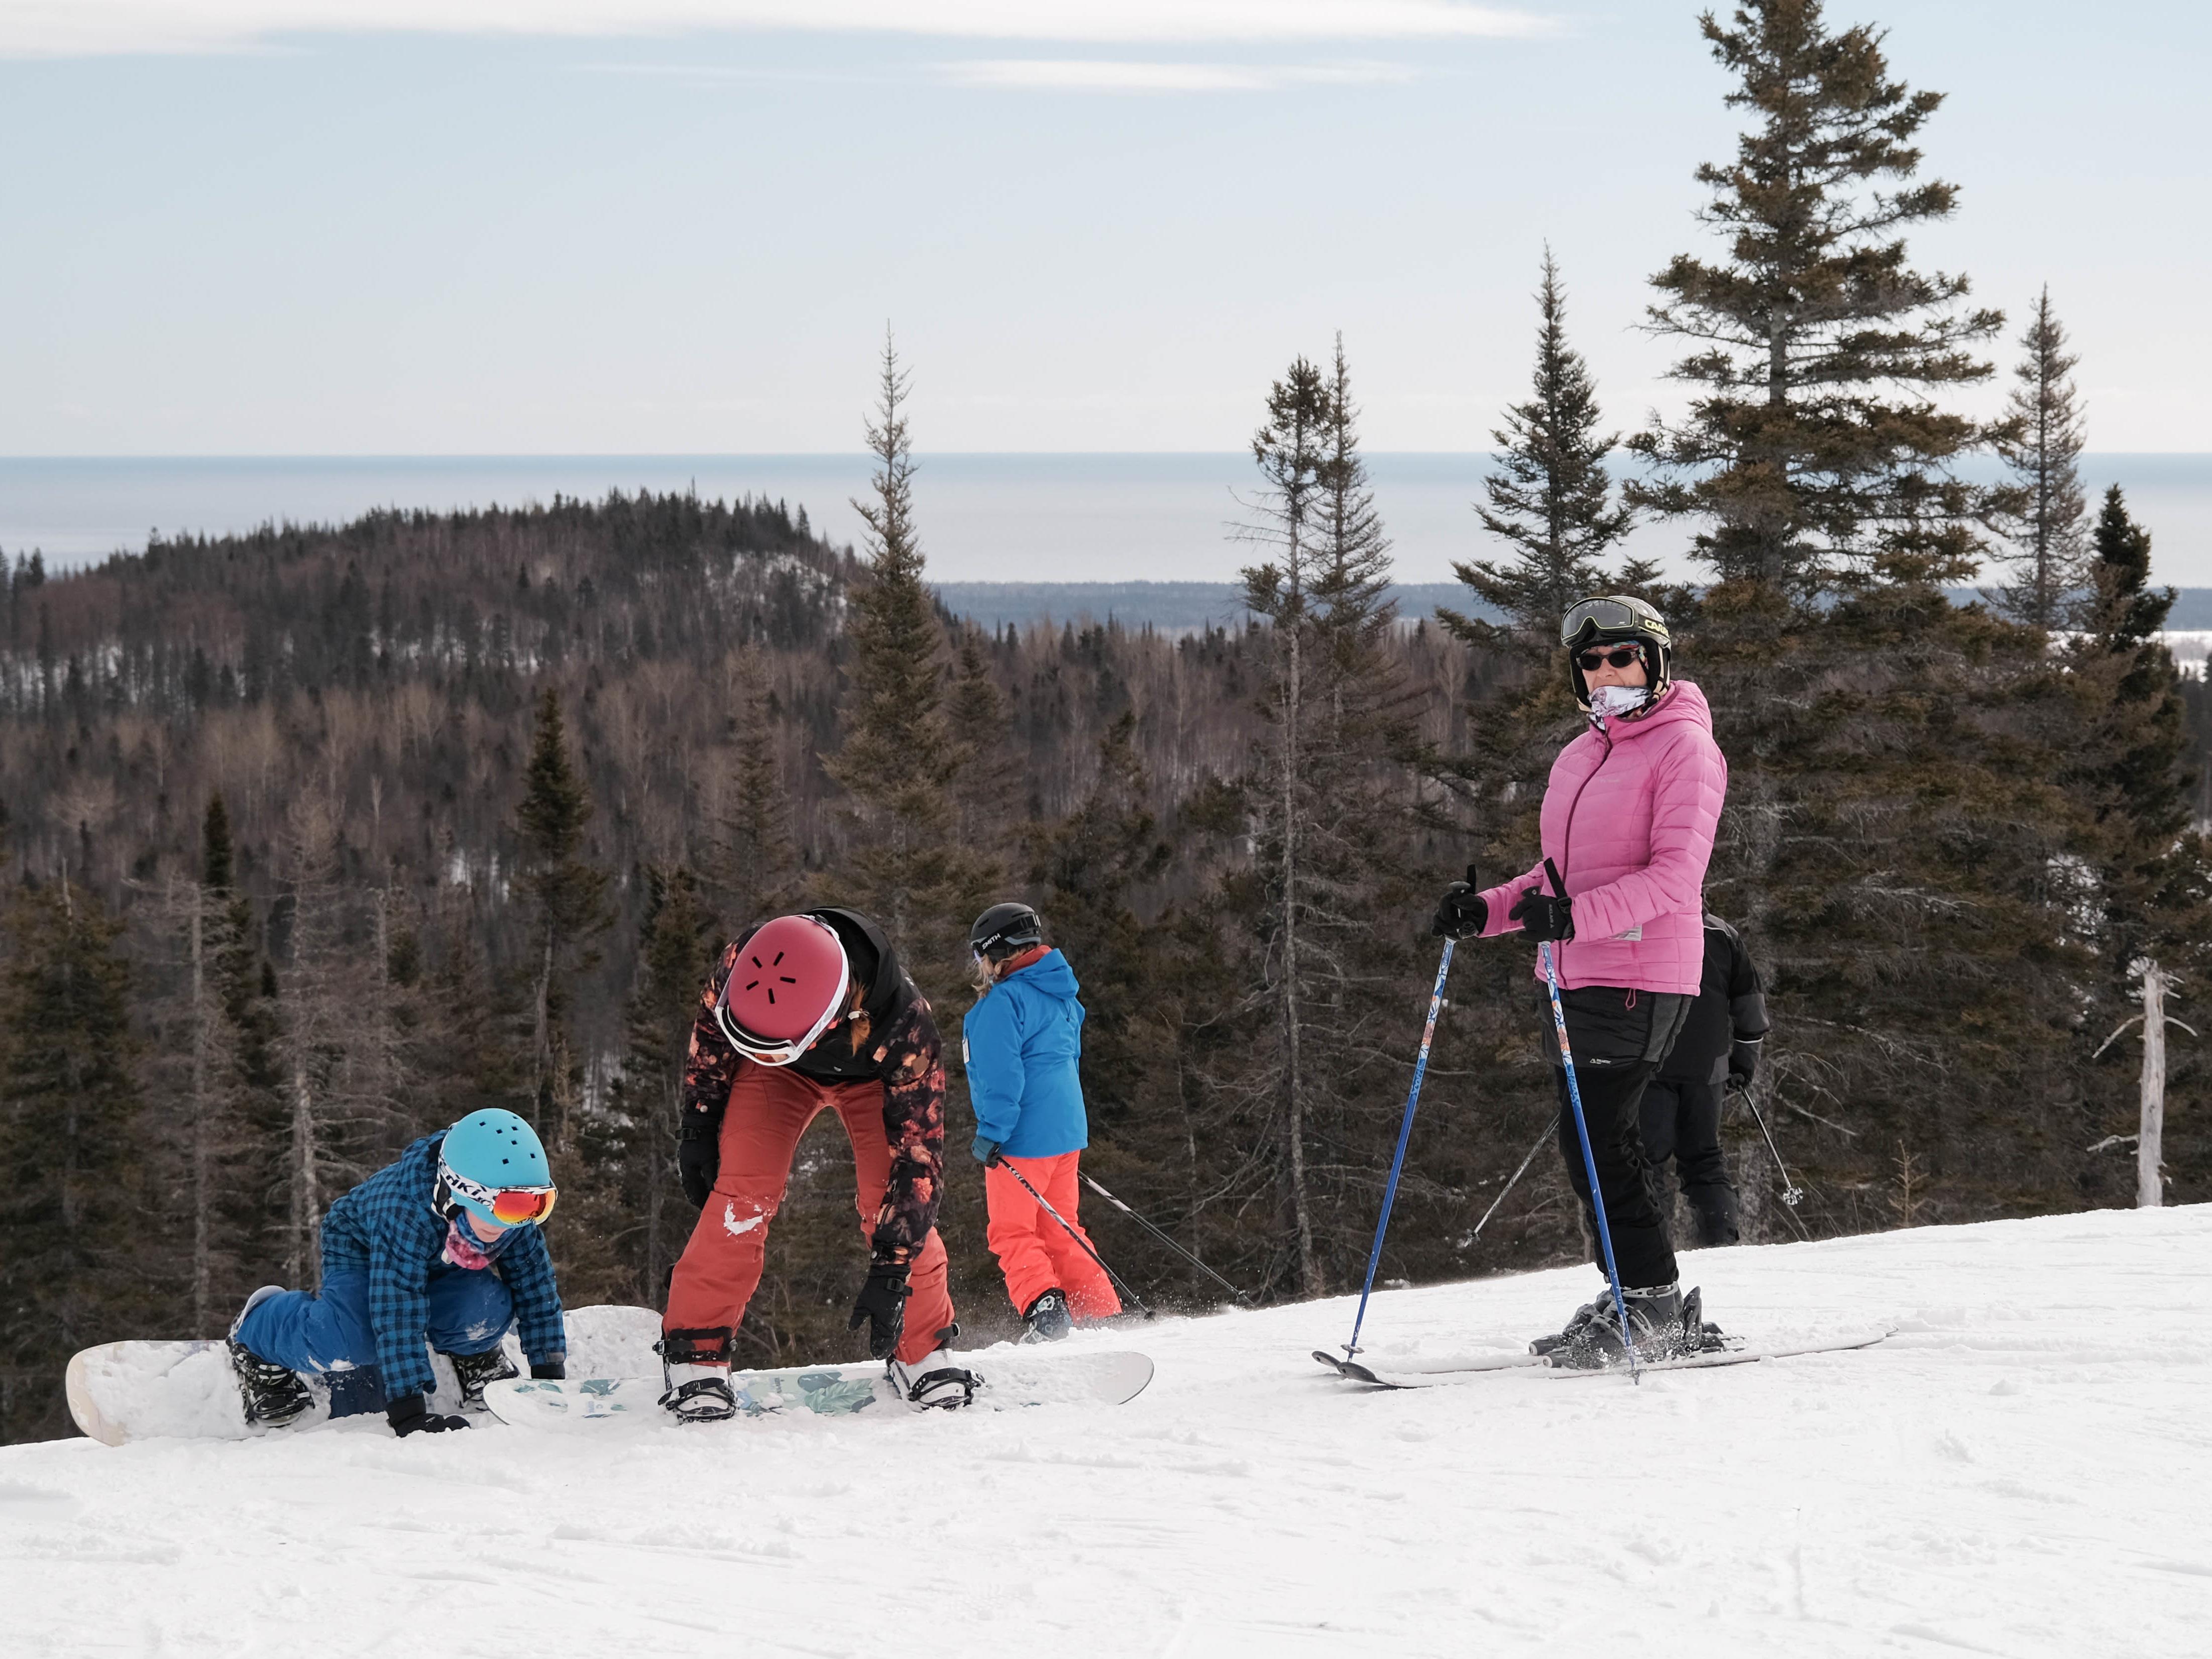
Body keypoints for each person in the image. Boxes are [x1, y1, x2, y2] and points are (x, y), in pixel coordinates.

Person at [1431, 594, 1727, 1365]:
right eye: (1591, 663)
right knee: (1590, 1141)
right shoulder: (1583, 752)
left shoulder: (1684, 748)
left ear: (1656, 663)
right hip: (1575, 972)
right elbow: (1554, 878)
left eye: (1621, 658)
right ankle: (1633, 1289)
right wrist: (1487, 911)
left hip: (1640, 971)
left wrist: (1573, 918)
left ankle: (1654, 1300)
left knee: (1601, 1137)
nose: (1605, 675)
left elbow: (1674, 879)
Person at [659, 907, 968, 1422]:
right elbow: (713, 1033)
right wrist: (699, 1120)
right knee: (744, 1194)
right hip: (775, 1074)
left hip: (872, 1077)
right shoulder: (745, 960)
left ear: (831, 1020)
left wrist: (892, 1271)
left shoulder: (907, 1026)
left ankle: (922, 1346)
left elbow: (918, 1161)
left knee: (885, 1201)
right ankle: (696, 1346)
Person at [226, 1108, 567, 1436]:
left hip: (438, 1255)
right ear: (457, 1193)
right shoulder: (402, 1212)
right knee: (354, 1339)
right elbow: (397, 1309)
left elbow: (535, 1285)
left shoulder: (514, 1211)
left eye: (539, 1204)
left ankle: (473, 1352)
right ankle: (258, 1329)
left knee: (486, 1308)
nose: (519, 1222)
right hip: (364, 1250)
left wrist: (550, 1380)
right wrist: (410, 1411)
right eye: (511, 1208)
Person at [963, 902, 1122, 1343]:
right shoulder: (1063, 996)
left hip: (1021, 1138)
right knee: (1062, 1226)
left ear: (998, 953)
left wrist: (992, 1134)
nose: (982, 966)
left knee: (1012, 1231)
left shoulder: (1001, 1004)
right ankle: (1101, 1311)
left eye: (981, 956)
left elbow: (1001, 1077)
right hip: (1066, 1133)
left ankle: (1046, 1312)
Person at [1641, 912, 1768, 1248]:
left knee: (1646, 1161)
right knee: (1703, 1158)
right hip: (1707, 1066)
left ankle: (1652, 1252)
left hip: (1648, 1063)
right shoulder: (1722, 933)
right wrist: (1742, 1061)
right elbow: (1750, 1006)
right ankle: (1721, 1241)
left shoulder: (1638, 921)